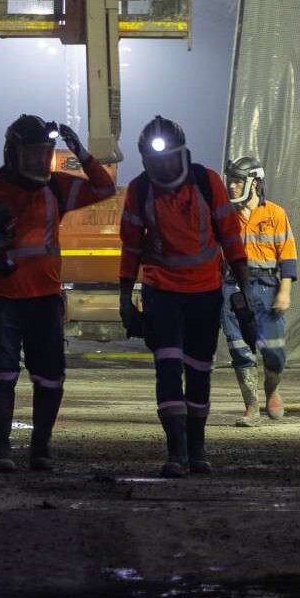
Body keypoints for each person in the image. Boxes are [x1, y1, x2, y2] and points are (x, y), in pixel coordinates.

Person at [0, 114, 115, 472]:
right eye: (31, 155)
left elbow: (104, 189)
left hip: (44, 298)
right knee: (1, 374)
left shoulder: (56, 187)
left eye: (45, 154)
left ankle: (41, 450)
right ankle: (1, 452)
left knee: (50, 375)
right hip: (0, 299)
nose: (39, 162)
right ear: (12, 153)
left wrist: (82, 153)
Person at [118, 116, 247, 477]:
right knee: (169, 369)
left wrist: (245, 292)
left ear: (181, 154)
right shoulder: (140, 189)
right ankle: (177, 452)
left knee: (199, 371)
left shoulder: (207, 183)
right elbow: (130, 247)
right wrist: (125, 298)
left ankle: (197, 448)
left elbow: (231, 238)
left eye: (163, 158)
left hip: (204, 295)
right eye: (150, 160)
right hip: (162, 294)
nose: (157, 166)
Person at [219, 156, 297, 426]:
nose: (232, 186)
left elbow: (287, 255)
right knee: (240, 350)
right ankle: (251, 408)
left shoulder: (275, 214)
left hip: (266, 288)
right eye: (230, 181)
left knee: (274, 353)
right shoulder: (225, 215)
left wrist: (284, 291)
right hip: (232, 289)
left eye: (238, 182)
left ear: (254, 183)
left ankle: (272, 390)